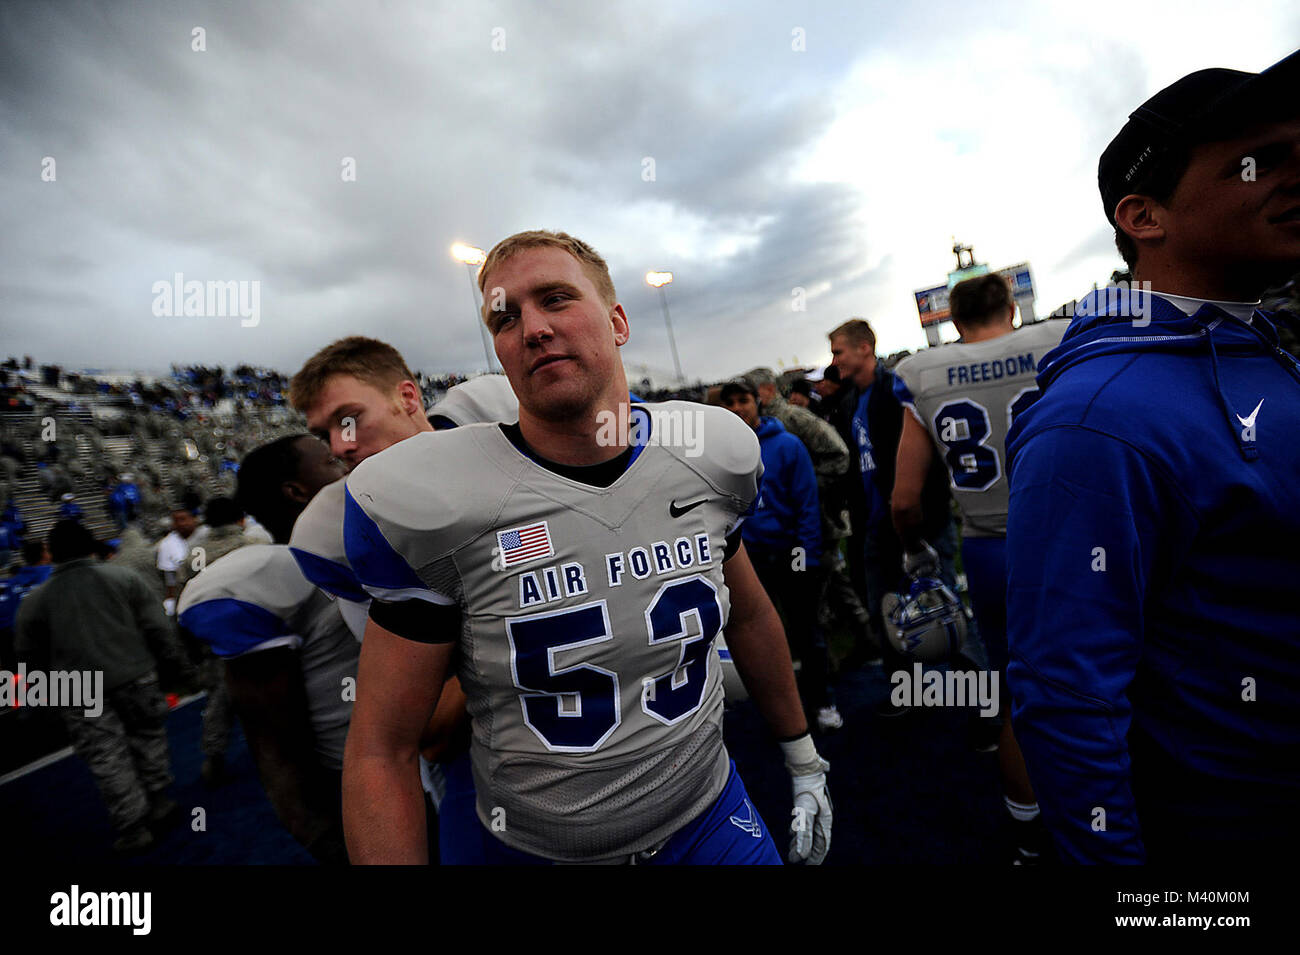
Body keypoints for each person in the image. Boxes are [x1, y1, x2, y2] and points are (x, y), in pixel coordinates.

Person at [342, 230, 832, 865]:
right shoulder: (438, 501)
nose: (534, 328)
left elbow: (752, 614)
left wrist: (802, 756)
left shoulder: (707, 455)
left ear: (618, 320)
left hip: (709, 816)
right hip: (535, 849)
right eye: (505, 316)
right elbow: (381, 748)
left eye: (556, 298)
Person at [1005, 49, 1300, 864]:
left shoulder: (1258, 345)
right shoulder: (1099, 419)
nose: (1293, 175)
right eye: (1261, 161)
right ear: (1144, 216)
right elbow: (1068, 699)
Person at [891, 273, 1068, 861]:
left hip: (991, 549)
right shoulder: (1058, 339)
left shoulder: (923, 372)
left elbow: (905, 501)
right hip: (1075, 535)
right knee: (1120, 669)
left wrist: (917, 553)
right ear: (1012, 307)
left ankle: (1028, 834)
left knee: (1019, 692)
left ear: (953, 317)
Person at [177, 435, 356, 863]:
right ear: (296, 491)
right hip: (362, 780)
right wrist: (316, 832)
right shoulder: (271, 575)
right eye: (331, 461)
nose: (346, 466)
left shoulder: (354, 545)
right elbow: (272, 742)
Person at [15, 520, 190, 854]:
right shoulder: (124, 580)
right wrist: (177, 667)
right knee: (147, 738)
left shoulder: (35, 601)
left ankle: (133, 826)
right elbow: (159, 629)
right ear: (93, 545)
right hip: (134, 672)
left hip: (76, 688)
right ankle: (159, 801)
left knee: (106, 756)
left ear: (51, 553)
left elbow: (27, 657)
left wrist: (33, 704)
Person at [828, 318, 954, 710]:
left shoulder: (896, 391)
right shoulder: (848, 401)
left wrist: (919, 515)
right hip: (874, 526)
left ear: (865, 348)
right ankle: (906, 694)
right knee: (887, 614)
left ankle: (960, 699)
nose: (834, 361)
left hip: (917, 523)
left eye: (839, 351)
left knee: (939, 612)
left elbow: (925, 462)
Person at [721, 379, 839, 732]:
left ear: (758, 403)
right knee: (758, 637)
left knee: (807, 631)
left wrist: (805, 556)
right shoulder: (720, 451)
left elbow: (806, 504)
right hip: (749, 559)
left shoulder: (788, 444)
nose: (738, 409)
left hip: (790, 553)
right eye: (730, 403)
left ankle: (823, 702)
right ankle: (777, 712)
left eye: (744, 400)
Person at [156, 506, 208, 616]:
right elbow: (170, 578)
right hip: (185, 594)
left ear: (193, 519)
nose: (180, 524)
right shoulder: (167, 544)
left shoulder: (206, 535)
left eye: (183, 519)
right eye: (176, 521)